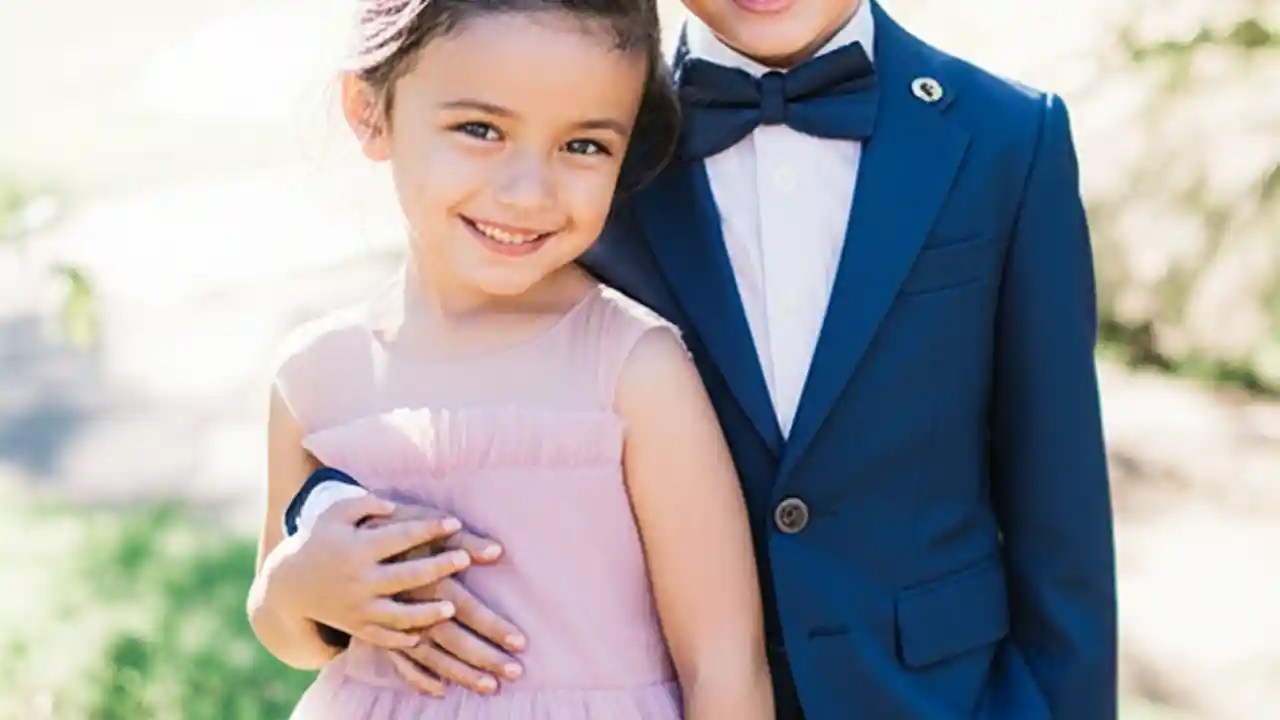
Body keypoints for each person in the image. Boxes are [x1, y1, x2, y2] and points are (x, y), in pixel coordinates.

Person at [272, 0, 1119, 717]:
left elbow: (1061, 507)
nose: (530, 178)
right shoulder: (591, 115)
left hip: (935, 693)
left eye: (579, 148)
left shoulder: (1007, 138)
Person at [245, 0, 774, 717]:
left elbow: (724, 669)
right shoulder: (317, 377)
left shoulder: (632, 370)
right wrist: (297, 588)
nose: (528, 192)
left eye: (583, 146)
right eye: (480, 129)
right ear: (369, 112)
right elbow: (293, 635)